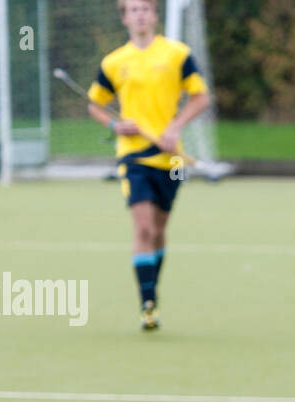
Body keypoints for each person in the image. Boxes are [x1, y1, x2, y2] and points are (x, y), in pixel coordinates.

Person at [86, 0, 210, 332]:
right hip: (133, 155)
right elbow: (95, 104)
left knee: (158, 231)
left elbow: (200, 97)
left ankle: (151, 289)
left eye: (146, 9)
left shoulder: (177, 54)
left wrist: (174, 127)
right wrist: (114, 126)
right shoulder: (114, 62)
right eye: (133, 10)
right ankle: (148, 303)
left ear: (155, 15)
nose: (140, 15)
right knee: (142, 227)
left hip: (171, 159)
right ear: (125, 18)